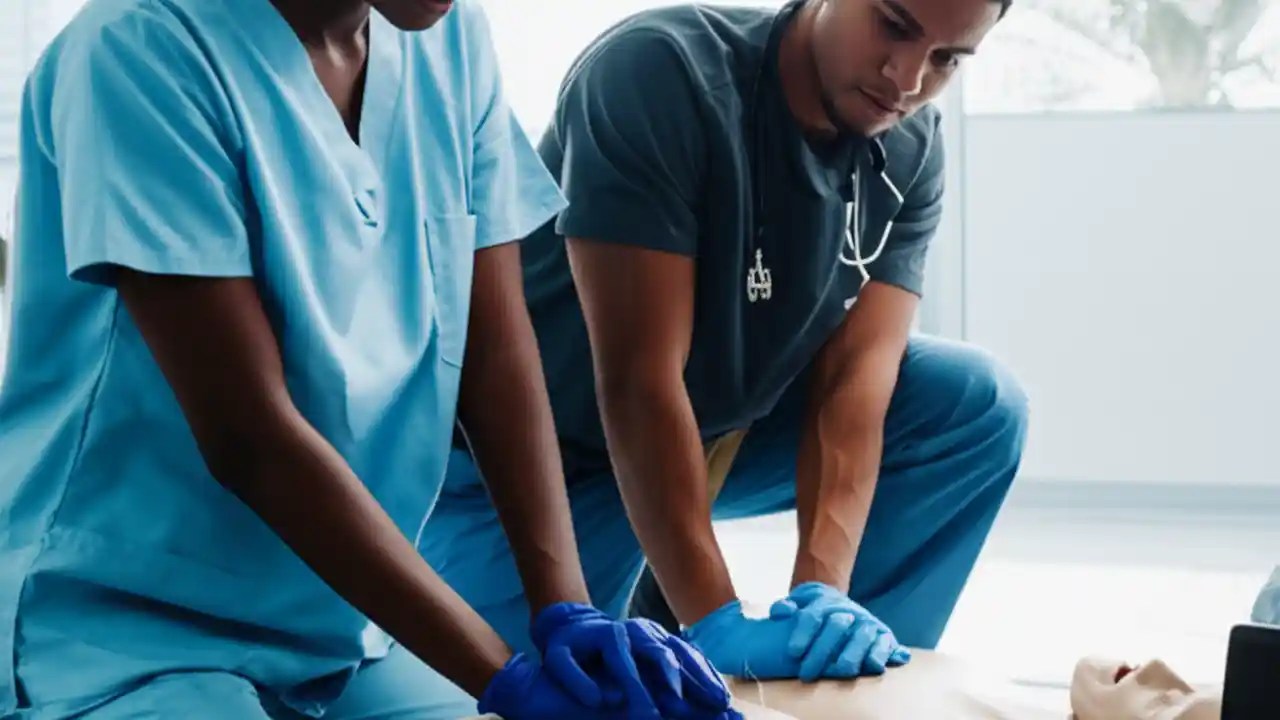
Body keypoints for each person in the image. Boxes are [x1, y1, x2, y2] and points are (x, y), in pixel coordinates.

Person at [0, 0, 735, 718]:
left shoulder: (448, 43)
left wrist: (567, 614)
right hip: (117, 631)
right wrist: (504, 678)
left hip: (338, 631)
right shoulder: (138, 50)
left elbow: (497, 353)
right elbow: (249, 438)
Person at [422, 0, 1028, 685]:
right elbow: (636, 383)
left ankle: (847, 681)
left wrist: (822, 592)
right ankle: (667, 593)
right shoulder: (659, 73)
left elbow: (857, 381)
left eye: (949, 58)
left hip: (719, 435)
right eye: (894, 25)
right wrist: (715, 617)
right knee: (545, 690)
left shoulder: (911, 147)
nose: (909, 79)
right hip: (542, 467)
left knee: (971, 404)